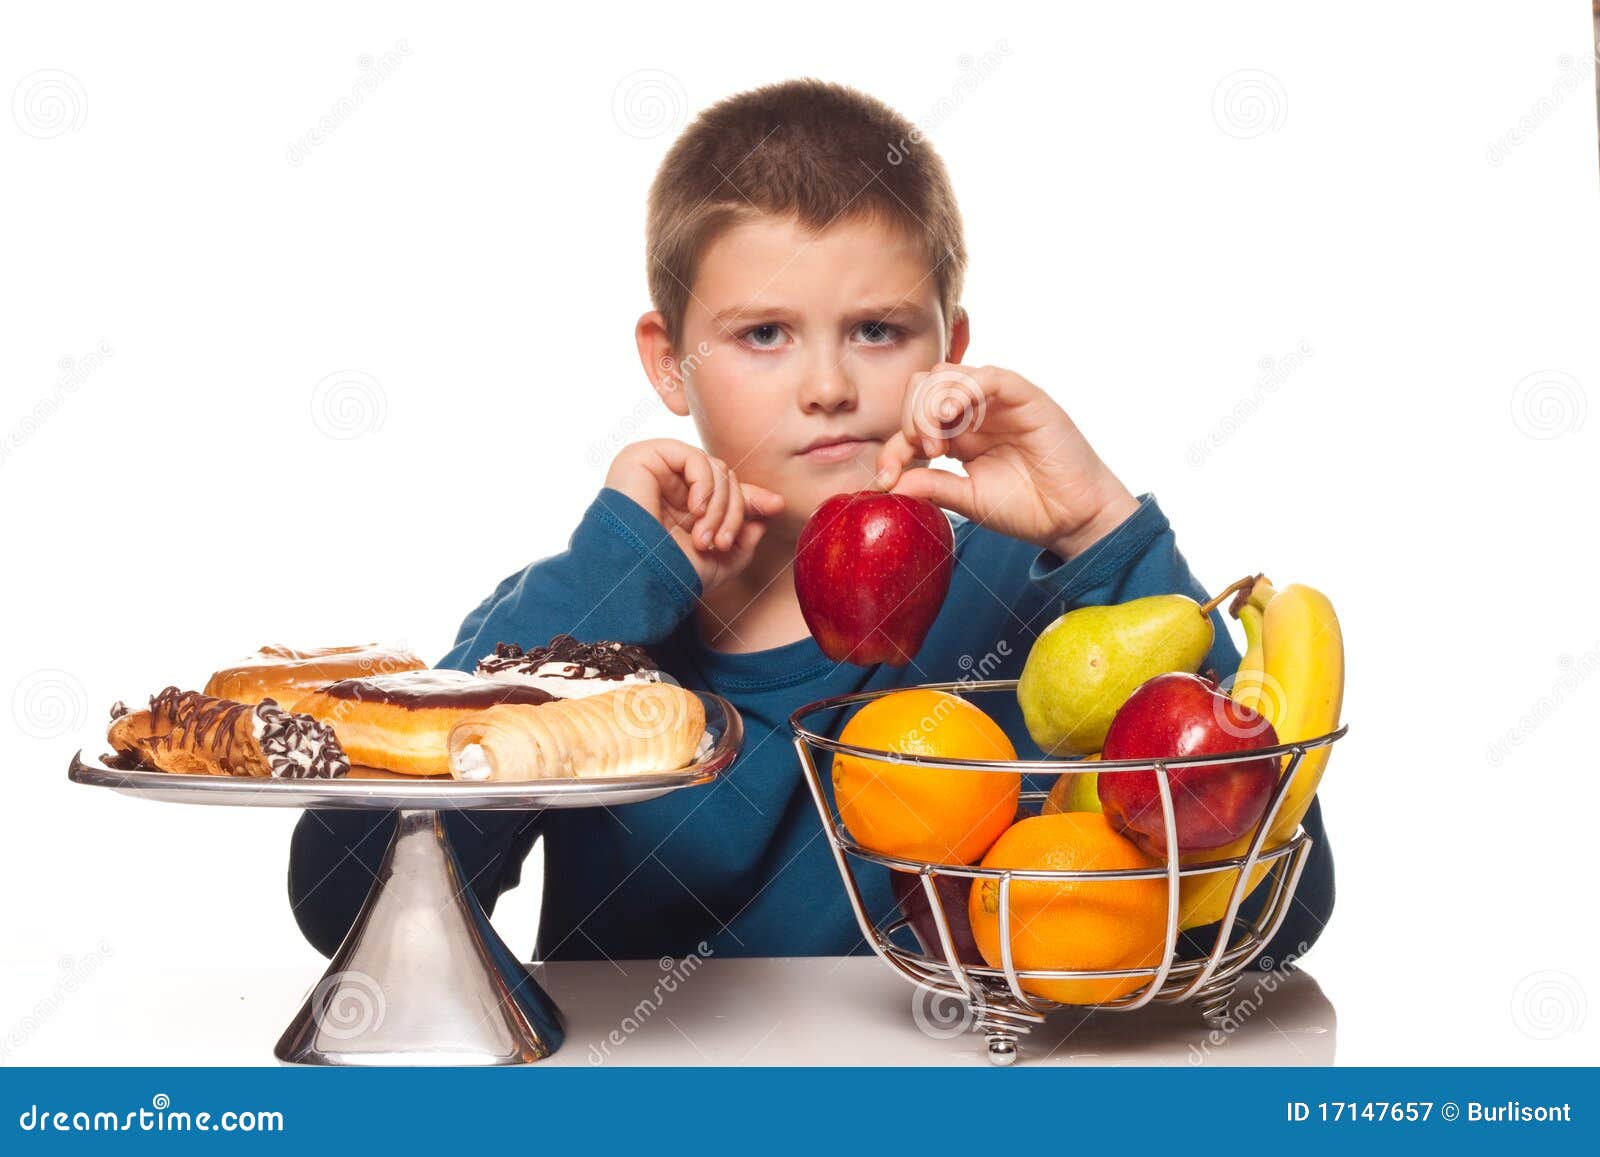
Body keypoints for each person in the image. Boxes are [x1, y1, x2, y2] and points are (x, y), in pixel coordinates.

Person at [288, 79, 1333, 969]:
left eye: (876, 330)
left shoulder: (1026, 590)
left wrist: (1099, 529)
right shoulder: (577, 614)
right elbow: (347, 908)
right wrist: (606, 591)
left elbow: (1274, 911)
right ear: (667, 359)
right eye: (764, 334)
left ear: (949, 346)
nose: (828, 385)